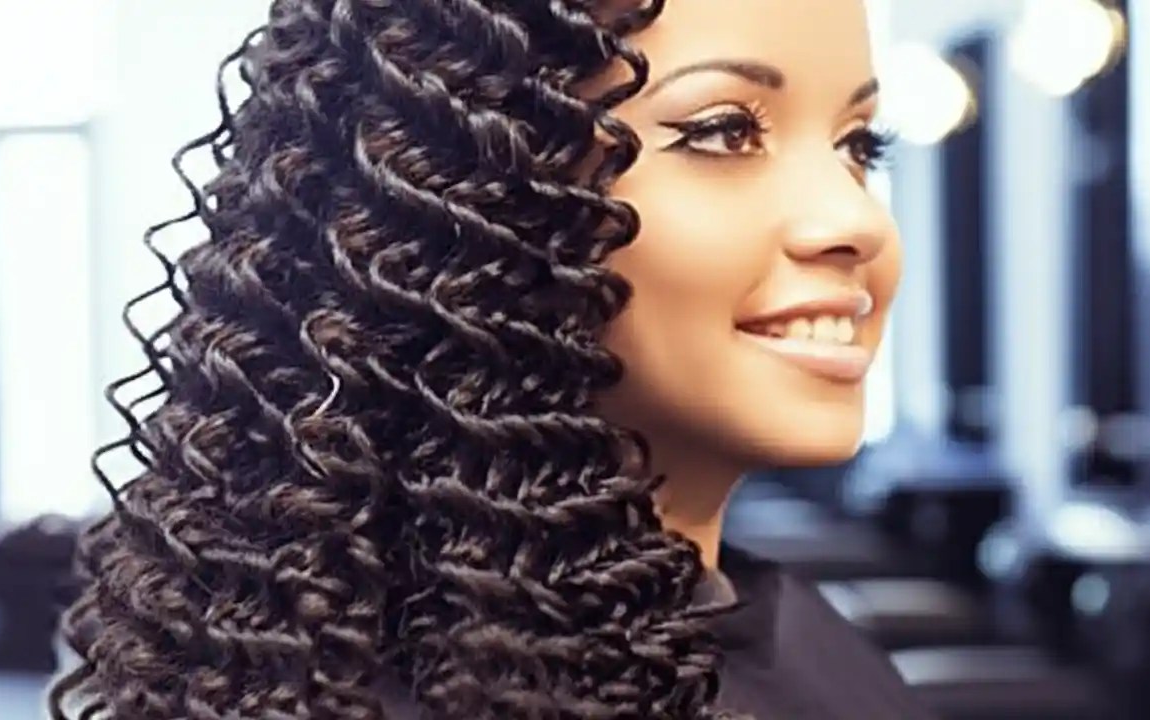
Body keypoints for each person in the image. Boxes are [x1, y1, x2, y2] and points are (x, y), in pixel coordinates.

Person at [49, 0, 933, 717]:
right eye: (722, 130)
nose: (857, 221)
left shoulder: (817, 650)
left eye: (860, 145)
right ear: (462, 203)